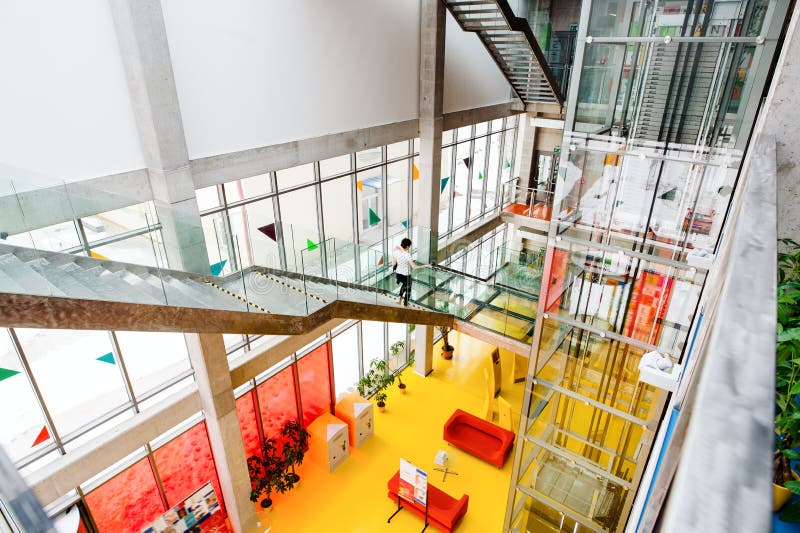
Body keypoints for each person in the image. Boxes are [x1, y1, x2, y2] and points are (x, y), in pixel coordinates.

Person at [392, 238, 431, 306]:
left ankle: (400, 299)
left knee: (406, 286)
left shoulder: (396, 252)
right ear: (407, 246)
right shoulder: (407, 255)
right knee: (408, 287)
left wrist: (398, 250)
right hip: (406, 275)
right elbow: (414, 267)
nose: (409, 248)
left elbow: (393, 264)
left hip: (398, 274)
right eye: (409, 246)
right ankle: (405, 302)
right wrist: (425, 265)